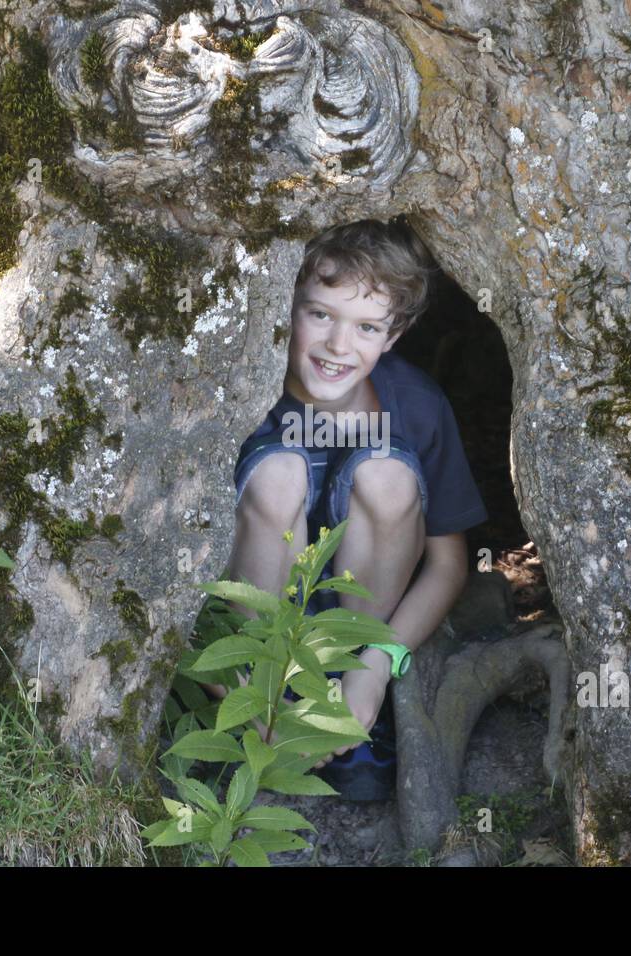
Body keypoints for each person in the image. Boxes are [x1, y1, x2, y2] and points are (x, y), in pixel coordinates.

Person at [206, 218, 487, 799]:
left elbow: (448, 565)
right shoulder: (237, 386)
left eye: (366, 327)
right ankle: (262, 692)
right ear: (286, 305)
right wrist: (224, 674)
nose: (338, 346)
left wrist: (377, 667)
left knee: (386, 474)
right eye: (319, 314)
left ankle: (347, 701)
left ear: (395, 333)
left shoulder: (416, 405)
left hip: (359, 627)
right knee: (279, 473)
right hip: (256, 618)